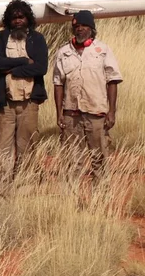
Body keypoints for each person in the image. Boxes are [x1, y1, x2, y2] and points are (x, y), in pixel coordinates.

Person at [52, 10, 122, 180]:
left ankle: (101, 197)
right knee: (72, 158)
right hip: (71, 114)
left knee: (99, 157)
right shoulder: (64, 52)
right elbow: (58, 83)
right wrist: (59, 112)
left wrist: (111, 111)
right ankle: (71, 200)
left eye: (84, 26)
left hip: (96, 113)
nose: (80, 29)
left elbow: (112, 80)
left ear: (91, 28)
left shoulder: (102, 50)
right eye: (76, 26)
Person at [0, 0, 49, 186]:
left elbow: (41, 68)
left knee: (27, 146)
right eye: (14, 18)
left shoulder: (37, 39)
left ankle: (25, 187)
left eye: (21, 17)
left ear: (28, 19)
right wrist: (23, 61)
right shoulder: (0, 38)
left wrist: (12, 69)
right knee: (1, 147)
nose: (18, 21)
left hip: (29, 103)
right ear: (8, 20)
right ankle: (1, 189)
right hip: (5, 103)